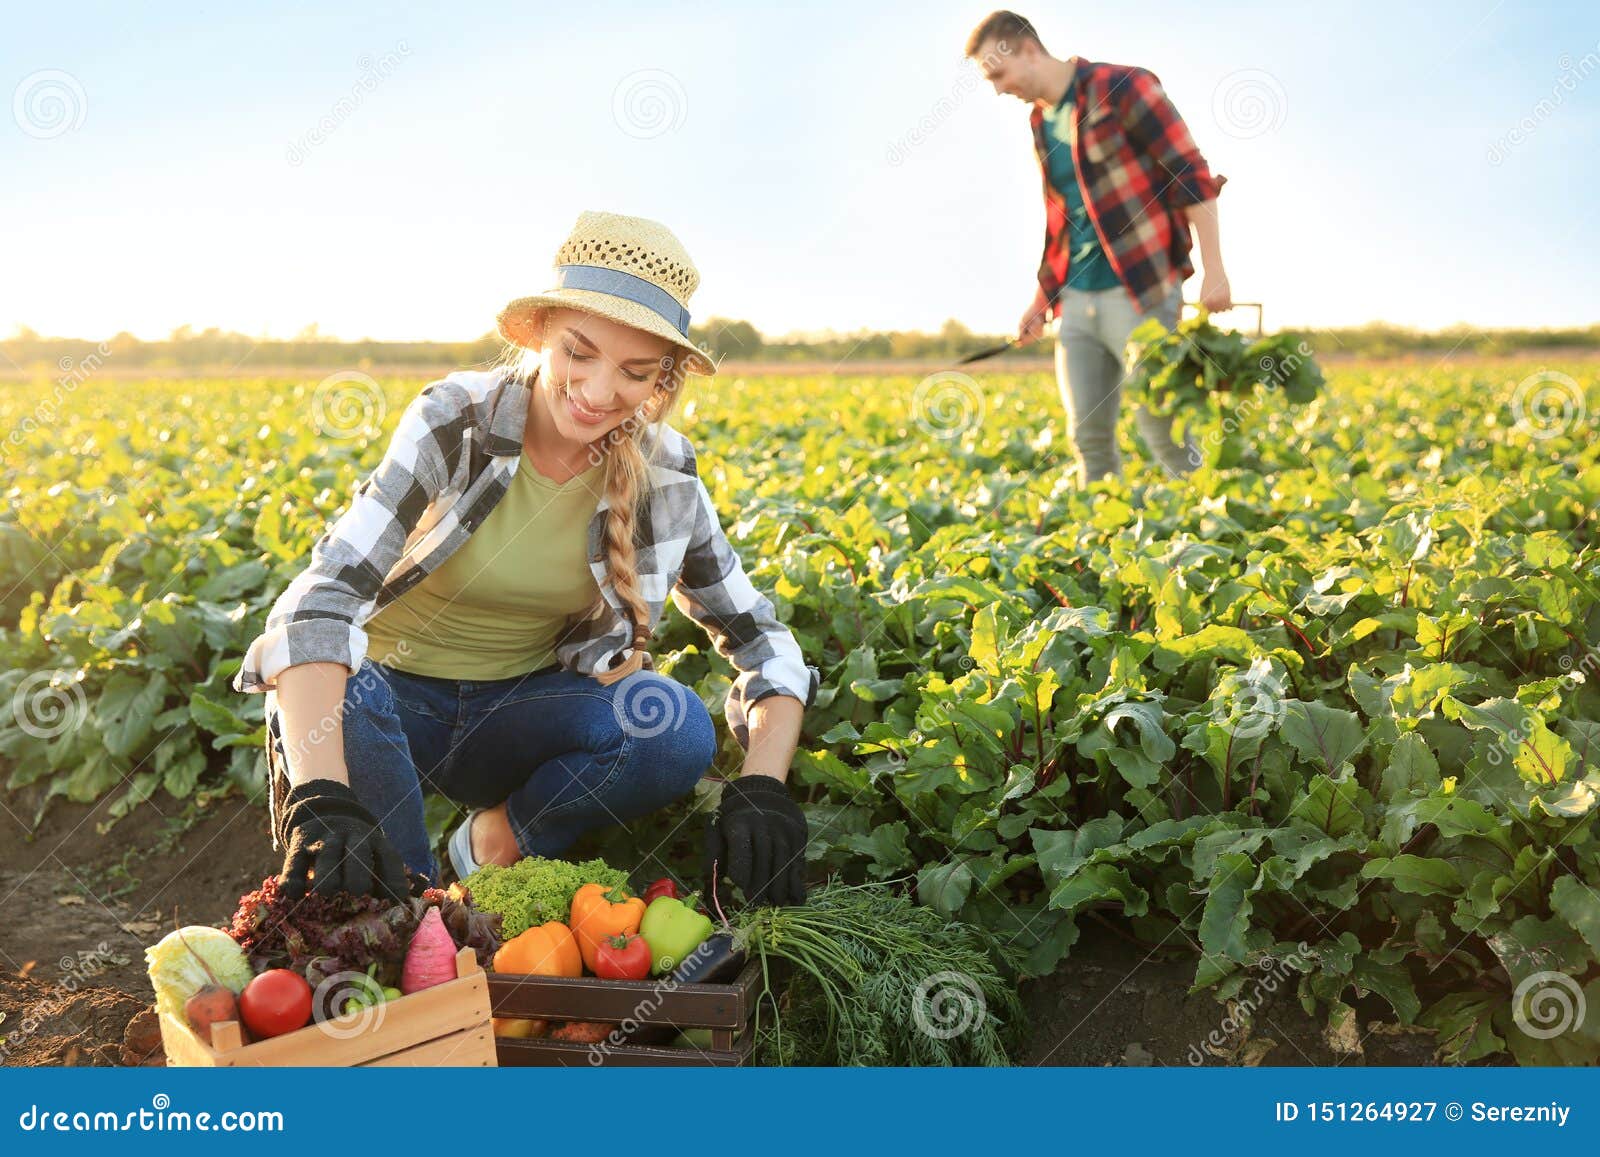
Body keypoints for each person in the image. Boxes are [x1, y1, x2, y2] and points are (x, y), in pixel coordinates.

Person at [231, 210, 818, 910]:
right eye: (579, 352)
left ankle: (491, 845)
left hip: (515, 717)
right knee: (401, 918)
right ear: (540, 331)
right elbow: (318, 602)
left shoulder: (666, 473)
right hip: (383, 708)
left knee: (672, 727)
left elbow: (763, 642)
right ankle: (408, 903)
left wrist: (762, 786)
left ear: (663, 376)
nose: (599, 393)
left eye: (634, 372)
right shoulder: (456, 421)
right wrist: (322, 797)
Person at [965, 11, 1231, 486]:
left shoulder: (1123, 86)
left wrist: (1215, 269)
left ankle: (1207, 525)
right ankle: (1103, 541)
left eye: (997, 74)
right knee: (1087, 435)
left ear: (1027, 50)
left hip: (1140, 290)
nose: (998, 89)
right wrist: (1041, 298)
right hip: (1077, 299)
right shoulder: (1040, 121)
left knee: (1162, 431)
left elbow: (1188, 173)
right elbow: (1061, 218)